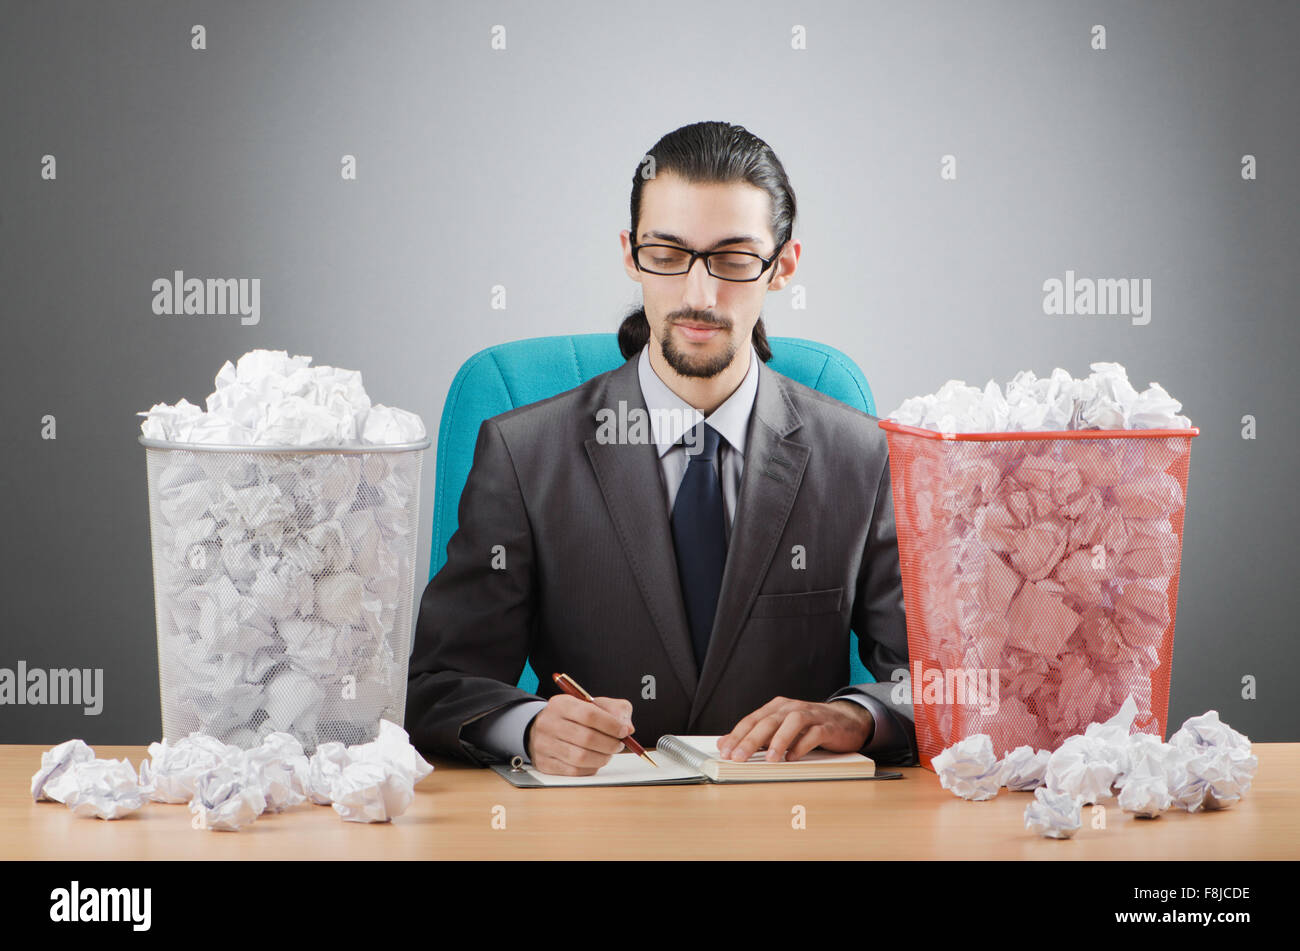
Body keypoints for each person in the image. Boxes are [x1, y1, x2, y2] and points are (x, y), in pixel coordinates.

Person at [405, 120, 917, 775]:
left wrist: (858, 715)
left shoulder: (862, 456)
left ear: (783, 265)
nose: (699, 296)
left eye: (733, 259)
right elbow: (441, 685)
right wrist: (529, 726)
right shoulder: (524, 452)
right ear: (630, 254)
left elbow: (934, 684)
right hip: (591, 829)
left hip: (789, 826)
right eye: (668, 255)